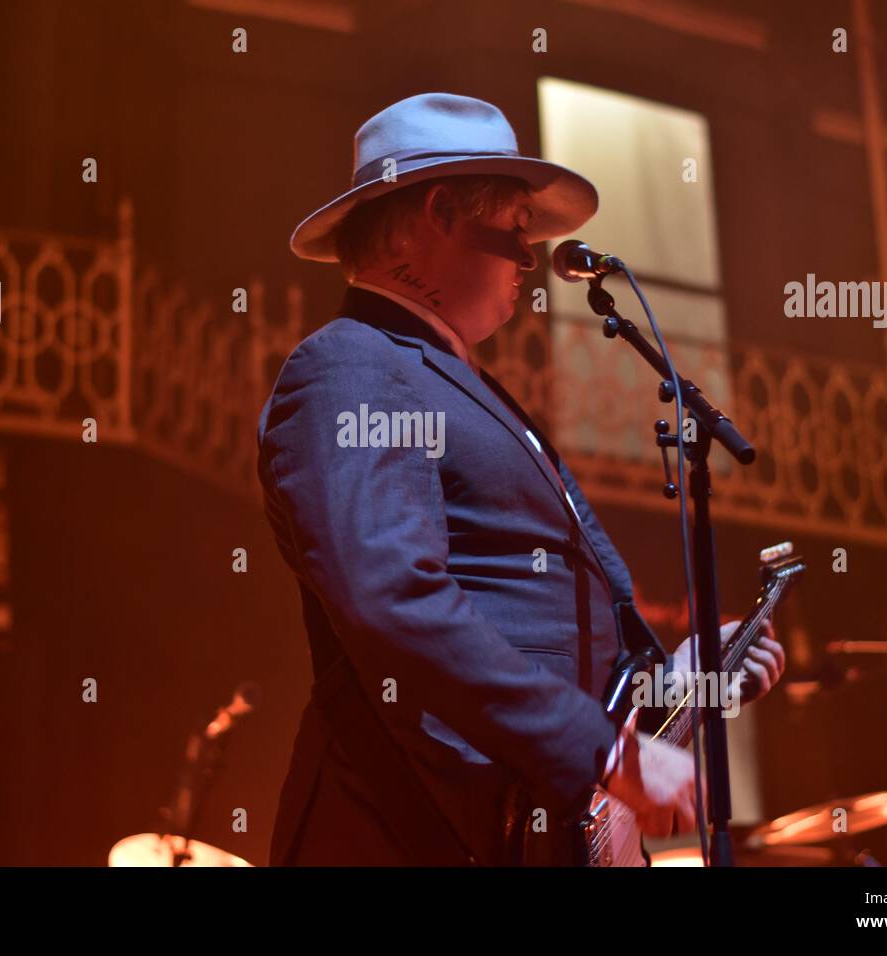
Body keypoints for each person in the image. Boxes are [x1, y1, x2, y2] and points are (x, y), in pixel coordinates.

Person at [258, 92, 784, 866]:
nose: (530, 260)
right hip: (411, 831)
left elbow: (525, 629)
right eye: (513, 230)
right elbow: (392, 594)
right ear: (437, 212)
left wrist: (671, 689)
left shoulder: (451, 381)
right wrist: (606, 756)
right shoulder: (351, 364)